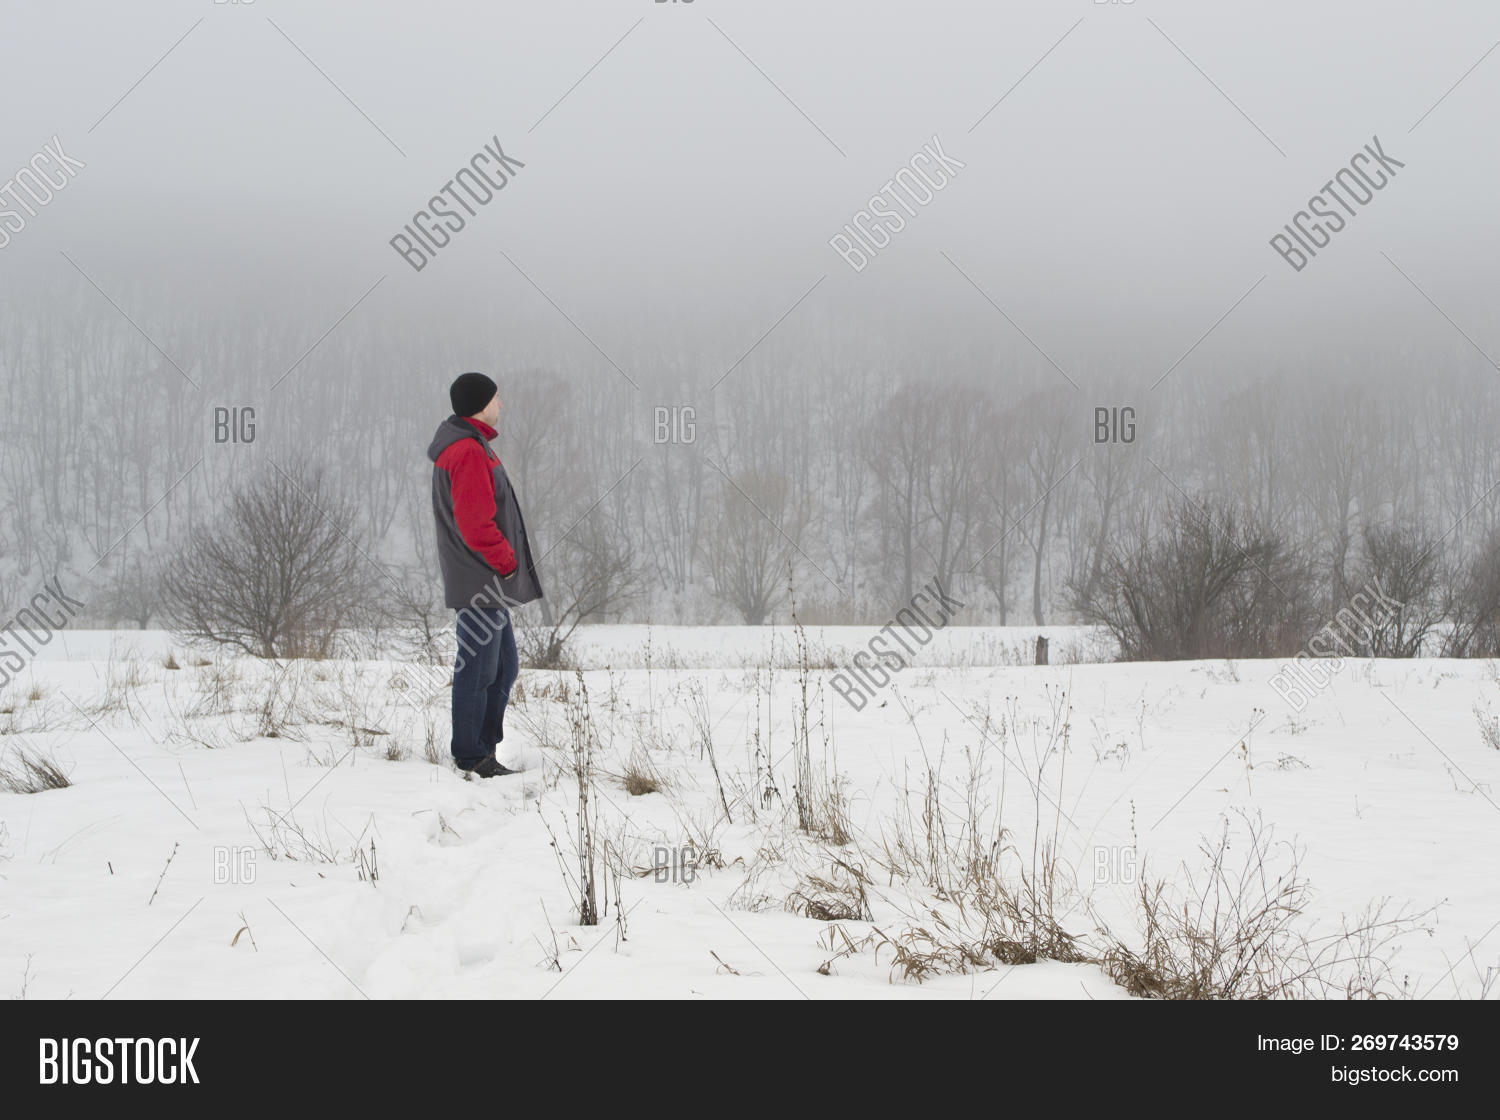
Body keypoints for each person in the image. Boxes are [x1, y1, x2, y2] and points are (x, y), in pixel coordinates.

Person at [427, 372, 544, 778]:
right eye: (497, 398)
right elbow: (476, 522)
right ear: (481, 403)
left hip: (483, 580)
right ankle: (471, 755)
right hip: (480, 579)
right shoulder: (467, 451)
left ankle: (483, 751)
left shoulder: (469, 445)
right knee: (479, 669)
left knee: (504, 666)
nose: (501, 404)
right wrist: (507, 562)